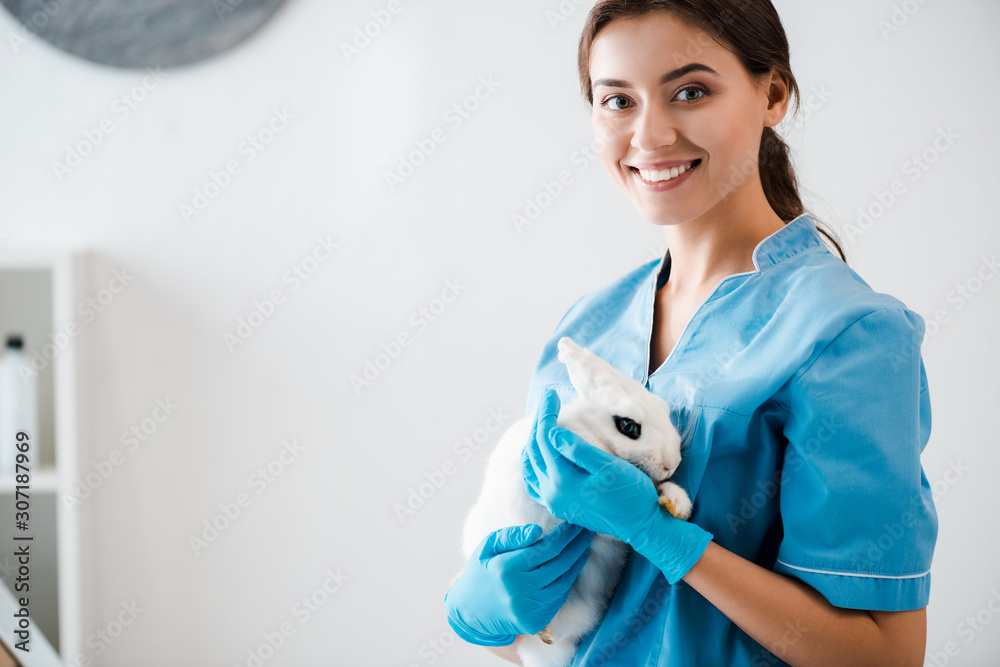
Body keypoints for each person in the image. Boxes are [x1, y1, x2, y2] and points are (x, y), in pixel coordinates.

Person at [444, 1, 938, 665]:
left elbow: (883, 655)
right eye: (617, 101)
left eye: (690, 91)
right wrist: (491, 612)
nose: (649, 136)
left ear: (773, 94)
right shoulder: (587, 326)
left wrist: (660, 533)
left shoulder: (845, 334)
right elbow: (546, 634)